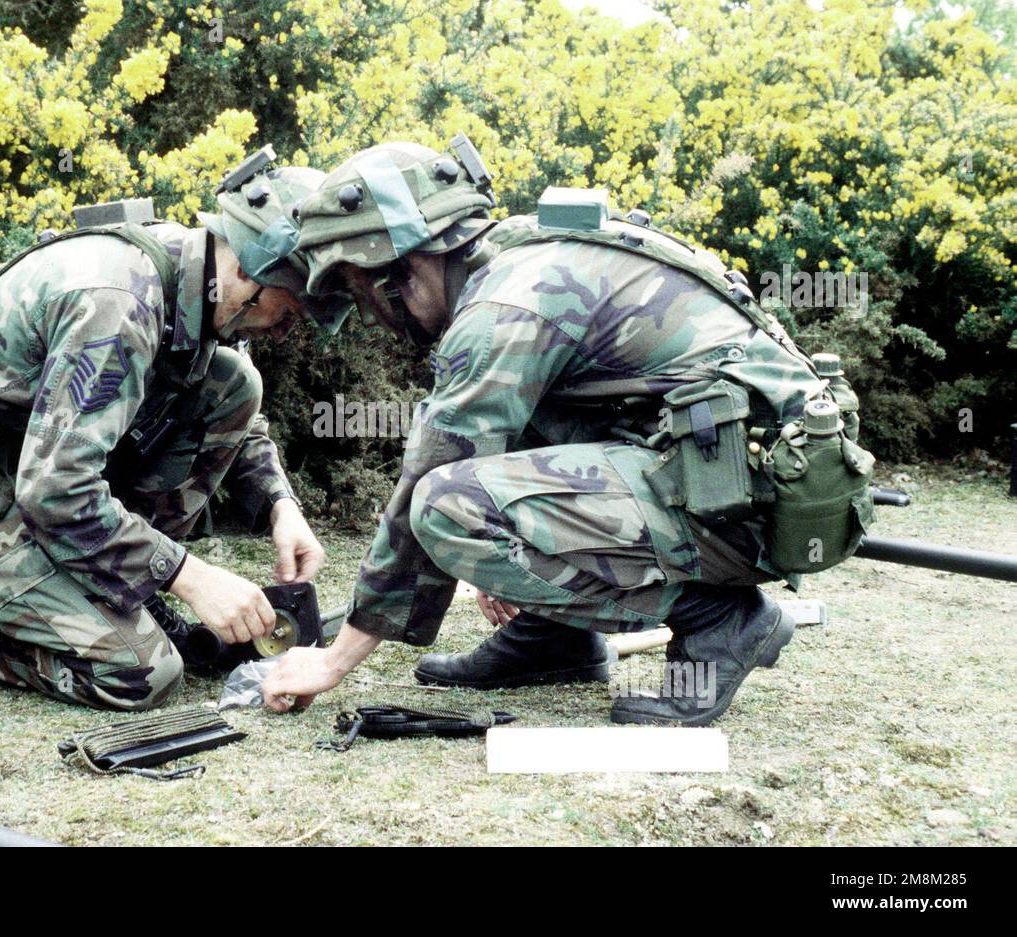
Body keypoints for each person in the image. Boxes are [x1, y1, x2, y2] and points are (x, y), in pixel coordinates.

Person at [262, 139, 871, 725]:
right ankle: (556, 638)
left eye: (359, 291)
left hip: (751, 497)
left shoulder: (504, 310)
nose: (371, 316)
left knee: (449, 507)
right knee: (493, 466)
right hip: (720, 473)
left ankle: (717, 617)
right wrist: (515, 564)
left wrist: (335, 660)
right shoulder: (516, 256)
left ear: (400, 271)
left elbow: (431, 475)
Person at [0, 151, 334, 710]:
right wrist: (191, 578)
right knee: (141, 673)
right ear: (249, 271)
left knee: (235, 382)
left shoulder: (199, 281)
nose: (286, 333)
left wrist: (280, 506)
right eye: (288, 313)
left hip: (35, 481)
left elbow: (242, 420)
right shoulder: (118, 303)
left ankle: (103, 587)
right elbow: (56, 489)